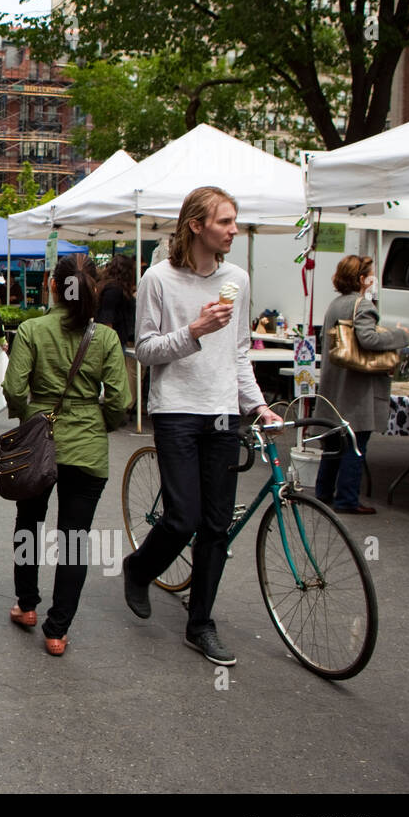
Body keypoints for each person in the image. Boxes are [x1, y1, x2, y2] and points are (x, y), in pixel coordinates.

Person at [121, 186, 283, 667]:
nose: (234, 230)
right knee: (182, 517)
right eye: (226, 222)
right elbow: (145, 350)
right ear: (196, 225)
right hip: (175, 409)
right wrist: (193, 331)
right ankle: (139, 567)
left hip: (222, 411)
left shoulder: (238, 277)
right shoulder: (159, 279)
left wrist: (257, 407)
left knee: (216, 524)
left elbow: (238, 354)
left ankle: (201, 625)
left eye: (235, 222)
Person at [2, 256, 132, 656]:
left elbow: (12, 387)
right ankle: (57, 630)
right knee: (74, 537)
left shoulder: (31, 330)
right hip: (88, 448)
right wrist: (99, 423)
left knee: (29, 524)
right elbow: (121, 400)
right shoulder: (106, 338)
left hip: (38, 441)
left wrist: (31, 417)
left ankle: (27, 605)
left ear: (52, 287)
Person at [315, 254, 409, 514]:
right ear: (360, 278)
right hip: (355, 390)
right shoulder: (362, 305)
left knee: (334, 444)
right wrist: (400, 335)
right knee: (355, 446)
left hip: (334, 387)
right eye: (370, 274)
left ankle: (322, 492)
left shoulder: (335, 304)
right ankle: (347, 500)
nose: (373, 278)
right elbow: (368, 340)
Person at [95, 254, 138, 411]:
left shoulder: (110, 287)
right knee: (113, 376)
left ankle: (112, 407)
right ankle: (112, 409)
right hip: (114, 340)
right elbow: (107, 318)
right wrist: (111, 344)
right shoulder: (114, 290)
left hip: (115, 338)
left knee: (112, 376)